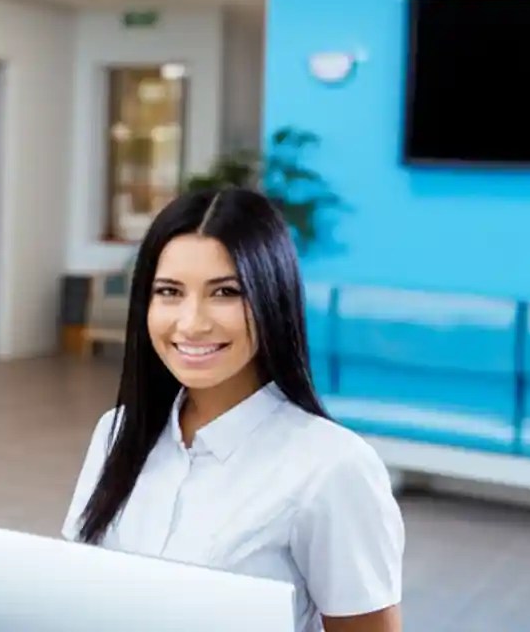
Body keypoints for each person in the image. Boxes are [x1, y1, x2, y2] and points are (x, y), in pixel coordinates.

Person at [62, 188, 404, 632]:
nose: (192, 322)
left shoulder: (334, 468)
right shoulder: (117, 431)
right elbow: (71, 593)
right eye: (169, 292)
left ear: (270, 299)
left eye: (225, 292)